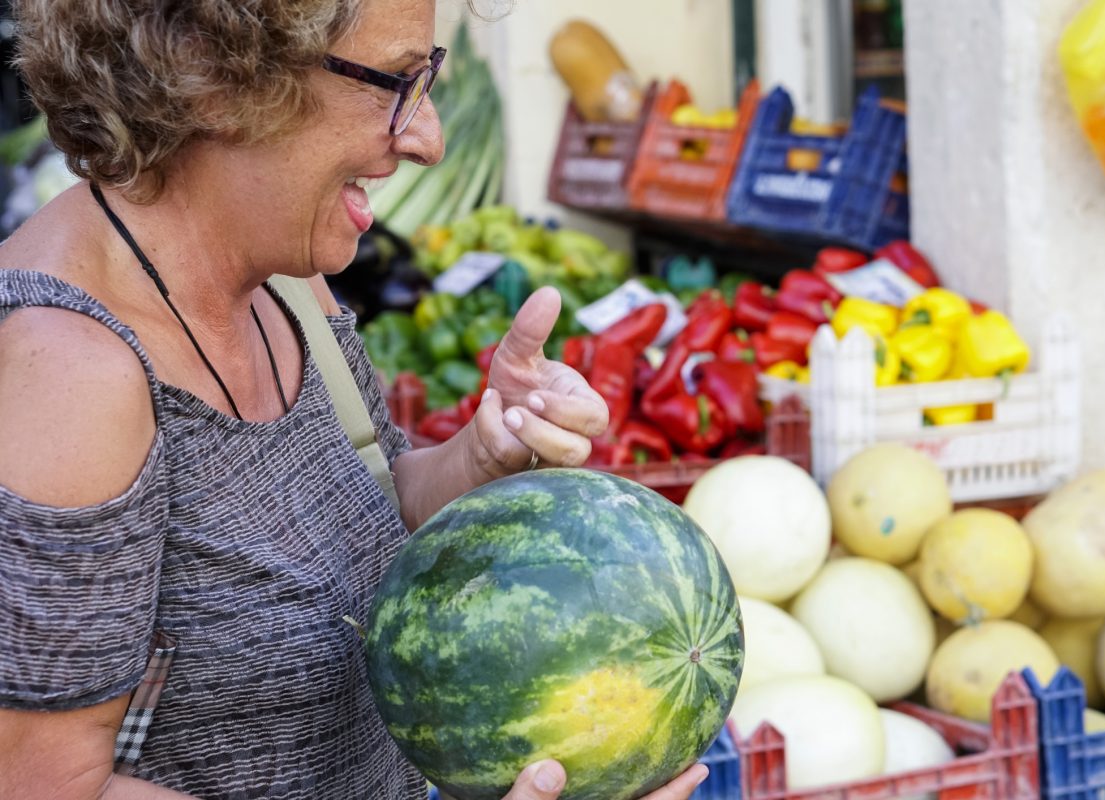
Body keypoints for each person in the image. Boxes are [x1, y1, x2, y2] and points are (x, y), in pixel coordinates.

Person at [0, 1, 711, 798]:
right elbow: (40, 786)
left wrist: (481, 456)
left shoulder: (290, 281)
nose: (430, 138)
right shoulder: (67, 372)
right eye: (396, 82)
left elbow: (366, 509)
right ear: (210, 75)